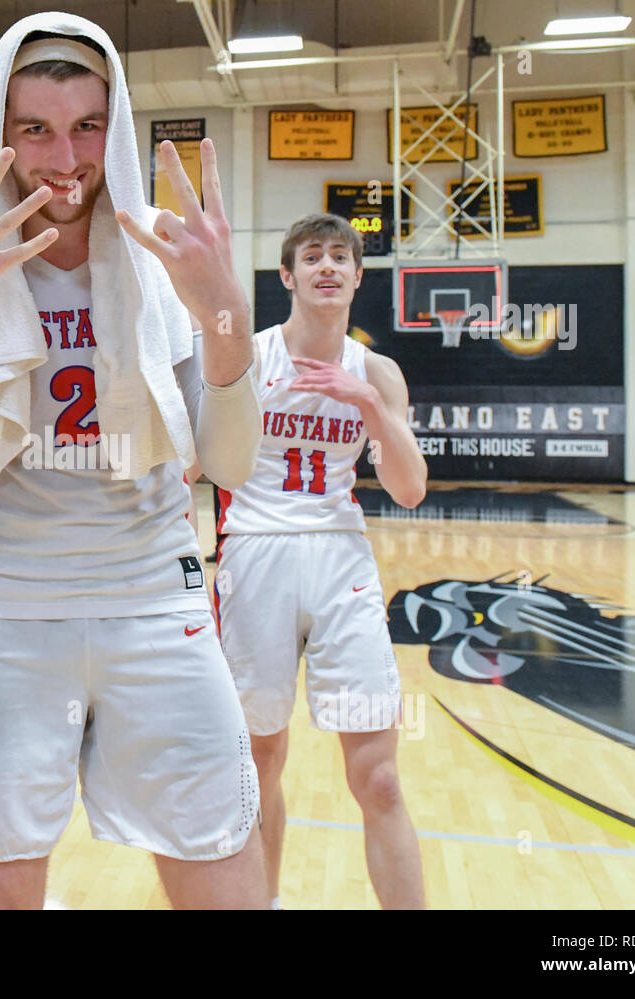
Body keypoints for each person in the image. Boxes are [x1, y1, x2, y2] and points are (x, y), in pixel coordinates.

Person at [0, 13, 266, 908]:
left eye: (86, 126)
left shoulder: (168, 253)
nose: (64, 156)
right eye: (35, 129)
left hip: (151, 591)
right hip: (8, 597)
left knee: (225, 879)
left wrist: (224, 316)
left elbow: (230, 461)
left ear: (117, 125)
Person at [213, 213, 428, 910]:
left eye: (342, 256)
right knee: (259, 762)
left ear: (359, 276)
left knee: (381, 779)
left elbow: (409, 487)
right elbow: (204, 461)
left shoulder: (379, 372)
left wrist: (367, 405)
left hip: (342, 558)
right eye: (313, 256)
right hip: (258, 552)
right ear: (288, 276)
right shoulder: (249, 358)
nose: (328, 266)